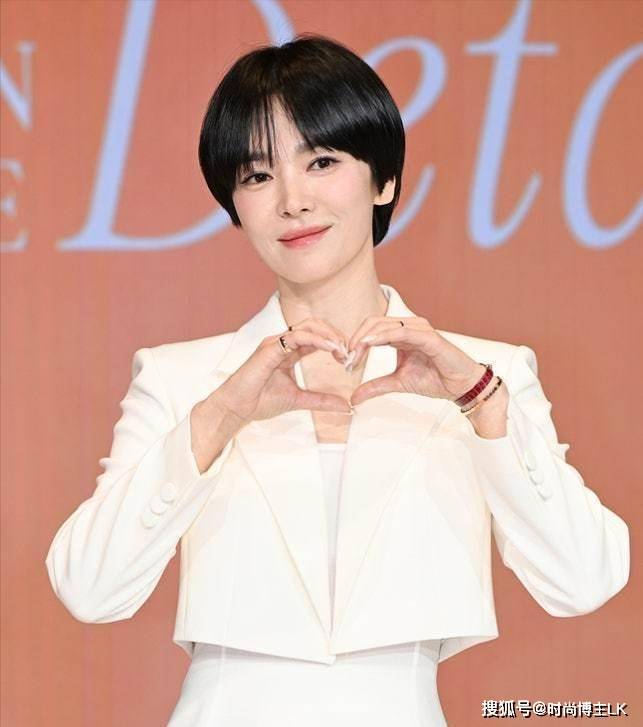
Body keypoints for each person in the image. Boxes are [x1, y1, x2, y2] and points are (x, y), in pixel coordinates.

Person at [45, 34, 630, 726]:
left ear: (383, 180)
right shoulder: (184, 378)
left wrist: (480, 404)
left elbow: (583, 581)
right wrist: (220, 417)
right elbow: (89, 590)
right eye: (257, 176)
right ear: (234, 204)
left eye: (321, 161)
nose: (292, 200)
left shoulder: (480, 373)